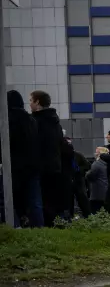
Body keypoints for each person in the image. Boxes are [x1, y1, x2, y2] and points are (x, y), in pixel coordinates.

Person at [7, 90, 42, 227]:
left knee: (12, 200)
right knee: (35, 201)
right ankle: (39, 228)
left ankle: (16, 226)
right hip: (33, 165)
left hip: (14, 165)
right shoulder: (31, 119)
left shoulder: (7, 118)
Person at [30, 90, 63, 226]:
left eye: (31, 101)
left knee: (40, 199)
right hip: (55, 165)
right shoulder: (55, 121)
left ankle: (44, 227)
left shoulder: (36, 121)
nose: (30, 104)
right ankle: (54, 225)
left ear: (37, 102)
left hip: (40, 166)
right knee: (52, 199)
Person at [86, 147, 109, 214]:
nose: (94, 154)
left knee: (95, 211)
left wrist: (87, 173)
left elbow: (90, 175)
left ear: (100, 154)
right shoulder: (108, 163)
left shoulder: (96, 164)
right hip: (107, 192)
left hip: (97, 192)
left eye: (96, 152)